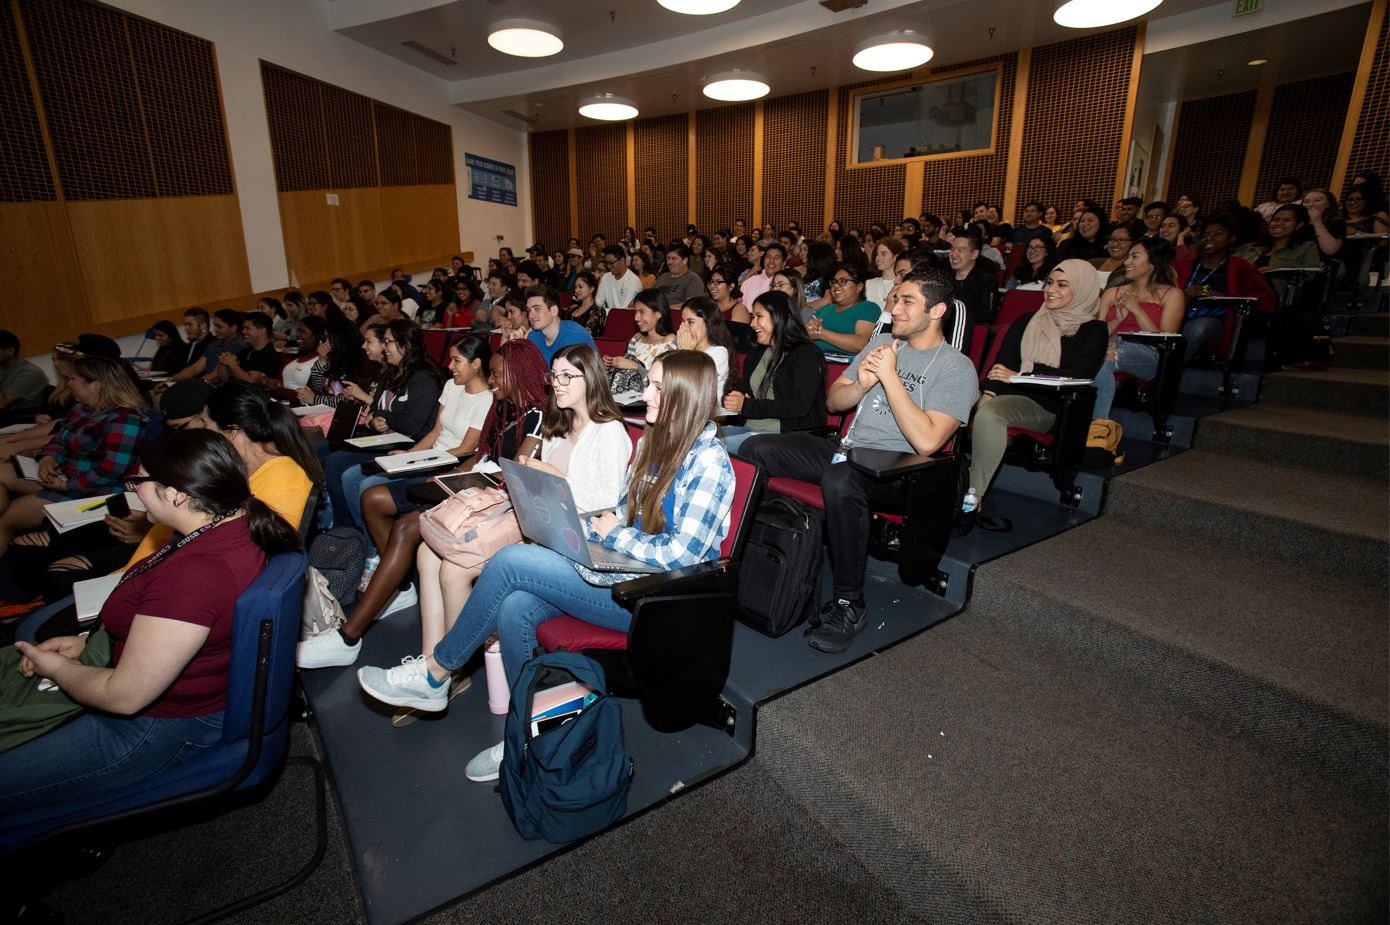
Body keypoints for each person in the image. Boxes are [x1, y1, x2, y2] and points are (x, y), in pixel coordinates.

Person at [355, 351, 733, 788]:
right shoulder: (654, 440)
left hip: (657, 598)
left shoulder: (708, 461)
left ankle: (436, 672)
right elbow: (623, 516)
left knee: (512, 561)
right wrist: (590, 530)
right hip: (624, 571)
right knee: (516, 606)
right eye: (648, 383)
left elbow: (682, 555)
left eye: (657, 388)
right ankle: (528, 733)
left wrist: (610, 535)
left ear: (685, 398)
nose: (643, 393)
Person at [0, 429, 300, 831]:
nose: (134, 491)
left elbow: (124, 697)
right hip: (174, 704)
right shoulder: (236, 523)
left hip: (150, 727)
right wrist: (88, 642)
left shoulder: (197, 574)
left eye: (138, 482)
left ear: (175, 493)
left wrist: (52, 667)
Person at [741, 268, 978, 653]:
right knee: (757, 449)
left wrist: (889, 378)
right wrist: (863, 383)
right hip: (847, 450)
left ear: (937, 311)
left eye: (906, 302)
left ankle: (850, 603)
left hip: (902, 471)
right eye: (895, 299)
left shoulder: (957, 367)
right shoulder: (880, 343)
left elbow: (929, 440)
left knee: (839, 480)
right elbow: (835, 402)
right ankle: (779, 560)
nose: (894, 309)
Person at [401, 345, 630, 707]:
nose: (558, 383)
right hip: (545, 536)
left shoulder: (610, 431)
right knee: (459, 572)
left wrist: (549, 476)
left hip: (581, 550)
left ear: (591, 379)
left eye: (568, 376)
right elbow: (547, 499)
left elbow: (604, 509)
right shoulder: (560, 424)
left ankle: (439, 670)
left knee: (497, 564)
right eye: (554, 375)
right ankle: (517, 716)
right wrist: (527, 482)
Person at [298, 339, 548, 669]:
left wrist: (460, 479)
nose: (492, 381)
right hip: (472, 487)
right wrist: (452, 477)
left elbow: (515, 470)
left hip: (493, 500)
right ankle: (392, 590)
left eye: (498, 375)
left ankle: (351, 635)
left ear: (518, 375)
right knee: (375, 499)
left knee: (404, 528)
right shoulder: (503, 408)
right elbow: (477, 456)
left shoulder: (537, 415)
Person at [965, 260, 1107, 530]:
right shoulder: (1026, 321)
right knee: (965, 401)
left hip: (1052, 407)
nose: (1051, 289)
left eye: (1062, 285)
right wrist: (988, 394)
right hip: (1014, 396)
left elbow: (1077, 374)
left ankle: (973, 496)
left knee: (991, 414)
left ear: (1083, 289)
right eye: (1050, 282)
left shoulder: (1093, 330)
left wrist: (1021, 376)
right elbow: (1001, 368)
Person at [336, 336, 494, 544]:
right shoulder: (451, 386)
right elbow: (436, 431)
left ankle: (375, 548)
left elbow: (466, 447)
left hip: (446, 463)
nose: (449, 366)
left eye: (457, 361)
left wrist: (422, 459)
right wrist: (409, 456)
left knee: (370, 484)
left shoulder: (486, 399)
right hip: (429, 456)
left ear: (476, 364)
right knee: (351, 476)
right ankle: (366, 542)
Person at [0, 356, 147, 557]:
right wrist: (48, 458)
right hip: (66, 475)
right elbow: (59, 440)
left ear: (96, 385)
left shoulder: (126, 418)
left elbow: (112, 468)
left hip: (90, 489)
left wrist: (68, 485)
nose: (68, 384)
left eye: (73, 379)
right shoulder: (84, 409)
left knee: (6, 519)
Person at [720, 290, 827, 453]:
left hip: (787, 435)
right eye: (752, 316)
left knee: (714, 446)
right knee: (699, 438)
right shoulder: (758, 352)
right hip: (752, 428)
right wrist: (734, 398)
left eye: (758, 316)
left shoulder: (806, 354)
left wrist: (747, 405)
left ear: (779, 317)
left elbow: (798, 406)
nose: (752, 323)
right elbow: (747, 391)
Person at [1092, 239, 1186, 420]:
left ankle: (1098, 430)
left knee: (1100, 361)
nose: (1127, 262)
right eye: (1128, 257)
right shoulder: (1113, 292)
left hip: (1147, 352)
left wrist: (1137, 310)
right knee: (1086, 357)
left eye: (1134, 257)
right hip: (1109, 344)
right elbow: (1097, 333)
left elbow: (1165, 342)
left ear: (1154, 262)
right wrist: (1117, 321)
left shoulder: (1172, 294)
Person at [1177, 214, 1275, 363]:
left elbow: (1268, 301)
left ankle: (1165, 373)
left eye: (1218, 233)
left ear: (1232, 238)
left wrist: (1226, 297)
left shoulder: (1242, 267)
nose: (1209, 238)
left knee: (1201, 326)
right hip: (1180, 317)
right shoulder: (1183, 265)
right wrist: (1182, 295)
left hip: (1219, 323)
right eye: (1206, 234)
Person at [603, 289, 676, 395]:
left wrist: (636, 367)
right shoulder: (636, 339)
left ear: (659, 313)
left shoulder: (671, 343)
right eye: (636, 312)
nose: (636, 317)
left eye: (642, 312)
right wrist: (609, 365)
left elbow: (665, 383)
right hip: (629, 396)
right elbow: (624, 375)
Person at [805, 263, 879, 355]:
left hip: (843, 364)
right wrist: (809, 328)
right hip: (812, 358)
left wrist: (822, 334)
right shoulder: (825, 309)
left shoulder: (868, 308)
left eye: (843, 281)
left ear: (859, 287)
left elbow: (860, 344)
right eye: (833, 282)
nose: (836, 286)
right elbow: (805, 333)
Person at [675, 297, 737, 398]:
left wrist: (685, 353)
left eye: (690, 322)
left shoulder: (719, 352)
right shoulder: (682, 347)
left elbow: (695, 387)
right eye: (683, 322)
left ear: (708, 323)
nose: (684, 327)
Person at [298, 320, 369, 409]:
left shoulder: (359, 362)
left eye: (328, 337)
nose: (325, 341)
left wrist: (316, 399)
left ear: (339, 338)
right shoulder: (335, 357)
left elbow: (350, 400)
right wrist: (322, 360)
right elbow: (318, 387)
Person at [525, 284, 597, 364]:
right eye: (529, 310)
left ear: (554, 310)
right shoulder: (533, 336)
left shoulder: (575, 336)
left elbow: (565, 374)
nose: (530, 316)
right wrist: (517, 346)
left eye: (537, 309)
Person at [946, 227, 998, 327]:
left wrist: (954, 319)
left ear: (974, 254)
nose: (954, 254)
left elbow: (987, 315)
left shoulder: (986, 281)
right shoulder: (944, 280)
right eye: (952, 249)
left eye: (960, 250)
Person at [0, 330, 50, 416]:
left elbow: (2, 404)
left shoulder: (30, 373)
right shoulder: (2, 366)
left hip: (16, 418)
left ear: (10, 351)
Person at [1092, 219, 1145, 291]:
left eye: (1122, 240)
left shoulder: (1133, 269)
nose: (1115, 244)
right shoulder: (1093, 262)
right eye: (1112, 239)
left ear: (1134, 243)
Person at [280, 316, 325, 393]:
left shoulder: (322, 361)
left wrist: (280, 389)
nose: (297, 335)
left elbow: (314, 394)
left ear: (315, 336)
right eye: (298, 331)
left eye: (302, 331)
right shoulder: (298, 357)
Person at [1301, 188, 1346, 261]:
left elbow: (1330, 249)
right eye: (1306, 202)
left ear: (1328, 204)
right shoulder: (1298, 224)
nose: (1311, 204)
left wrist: (1317, 221)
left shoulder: (1336, 222)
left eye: (1317, 200)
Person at [597, 245, 641, 311]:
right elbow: (598, 302)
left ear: (622, 260)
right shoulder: (606, 277)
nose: (609, 266)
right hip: (609, 317)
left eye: (611, 263)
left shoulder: (633, 281)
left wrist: (604, 312)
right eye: (607, 263)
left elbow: (625, 311)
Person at [567, 272, 607, 339]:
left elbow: (587, 336)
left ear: (591, 289)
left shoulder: (598, 311)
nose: (576, 290)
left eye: (580, 287)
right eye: (575, 287)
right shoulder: (573, 308)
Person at [866, 238, 905, 308]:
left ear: (896, 257)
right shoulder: (869, 284)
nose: (878, 258)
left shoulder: (903, 284)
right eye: (877, 254)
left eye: (883, 254)